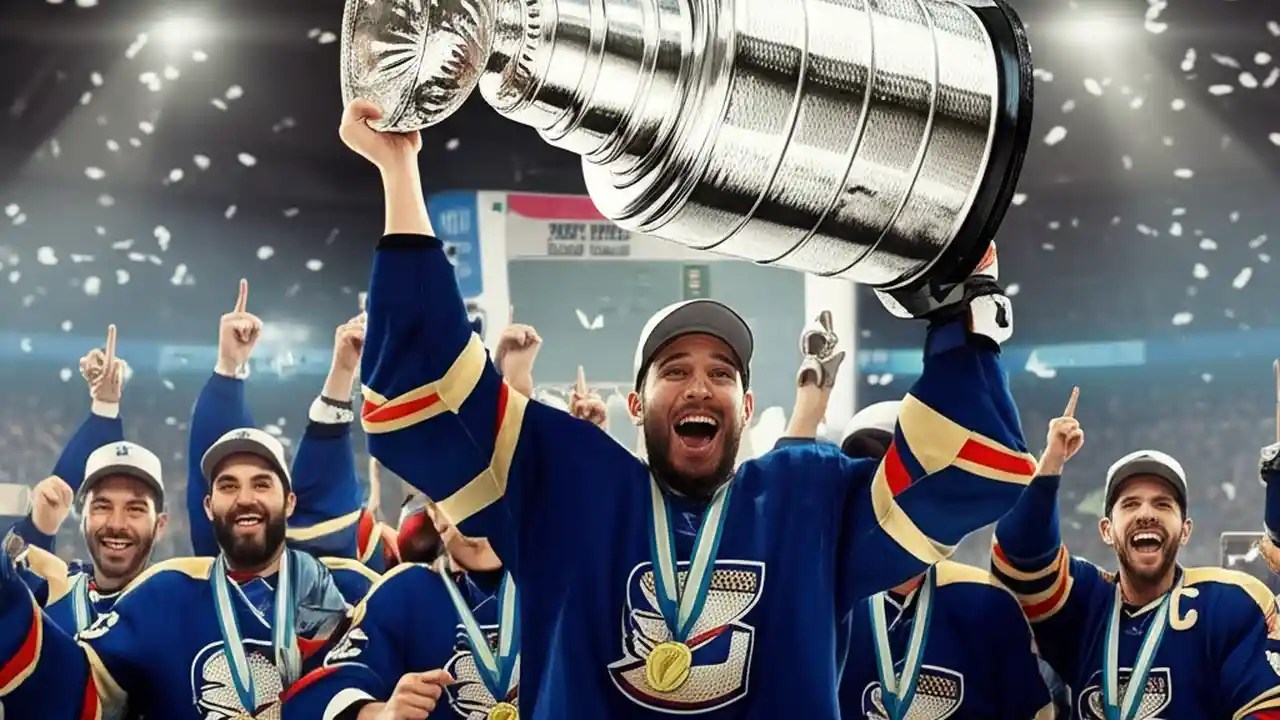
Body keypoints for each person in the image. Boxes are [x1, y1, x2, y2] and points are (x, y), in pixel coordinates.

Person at [342, 97, 1036, 717]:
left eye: (721, 373)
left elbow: (967, 467)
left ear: (747, 404)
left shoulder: (806, 500)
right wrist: (399, 171)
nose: (700, 386)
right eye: (676, 370)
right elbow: (424, 400)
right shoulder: (569, 483)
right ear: (639, 402)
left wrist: (962, 306)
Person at [778, 321, 1054, 719]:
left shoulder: (986, 601)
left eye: (890, 473)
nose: (879, 494)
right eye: (863, 472)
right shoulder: (820, 601)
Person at [0, 427, 377, 718]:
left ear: (289, 501)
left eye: (261, 483)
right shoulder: (163, 594)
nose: (245, 498)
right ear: (209, 506)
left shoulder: (352, 589)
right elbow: (83, 690)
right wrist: (8, 598)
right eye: (228, 486)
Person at [991, 388, 1280, 719]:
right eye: (1130, 504)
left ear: (1185, 530)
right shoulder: (1085, 603)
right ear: (1106, 530)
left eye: (1162, 504)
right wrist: (1052, 460)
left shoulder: (1229, 604)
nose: (1146, 513)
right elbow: (1017, 556)